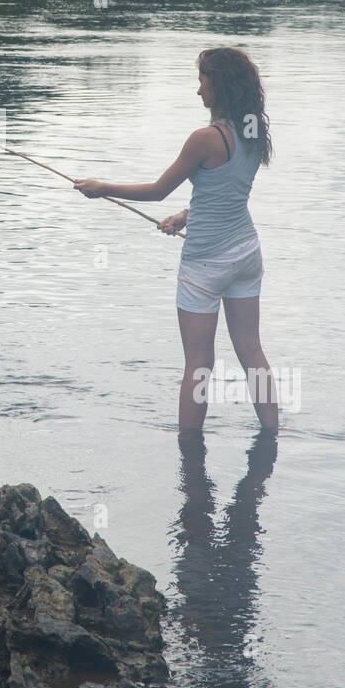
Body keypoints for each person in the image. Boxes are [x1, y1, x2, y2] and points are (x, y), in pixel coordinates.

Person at [74, 47, 277, 432]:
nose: (198, 91)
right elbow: (228, 190)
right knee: (252, 351)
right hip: (247, 254)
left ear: (218, 83)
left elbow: (157, 191)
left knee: (198, 362)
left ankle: (189, 453)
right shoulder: (253, 132)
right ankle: (272, 433)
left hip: (205, 263)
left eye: (202, 81)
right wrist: (187, 216)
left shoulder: (204, 138)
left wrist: (102, 188)